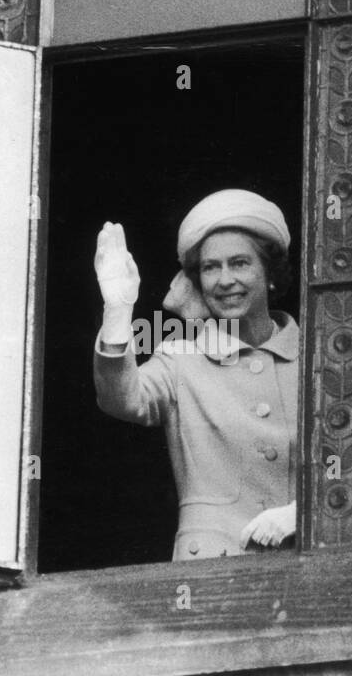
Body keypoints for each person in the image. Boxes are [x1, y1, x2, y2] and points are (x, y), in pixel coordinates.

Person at [92, 189, 299, 561]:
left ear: (269, 273)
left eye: (239, 263)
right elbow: (122, 398)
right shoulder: (181, 359)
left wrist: (304, 513)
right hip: (208, 571)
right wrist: (117, 310)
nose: (224, 280)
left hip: (309, 565)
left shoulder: (319, 359)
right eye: (210, 267)